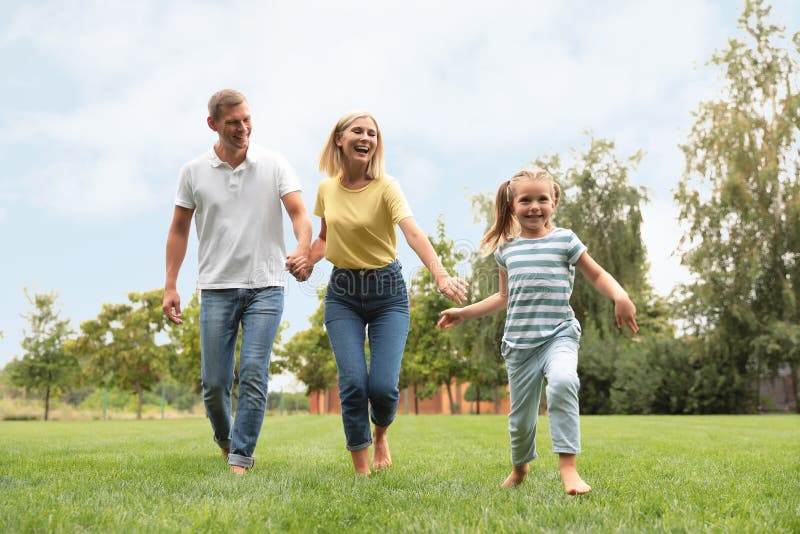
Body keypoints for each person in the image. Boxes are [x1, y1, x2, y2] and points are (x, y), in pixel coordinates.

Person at [438, 169, 638, 494]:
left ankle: (568, 468)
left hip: (559, 335)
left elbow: (597, 274)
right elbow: (503, 297)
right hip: (519, 345)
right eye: (525, 200)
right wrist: (464, 312)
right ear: (512, 205)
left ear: (554, 201)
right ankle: (520, 468)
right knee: (520, 421)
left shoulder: (565, 240)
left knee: (563, 382)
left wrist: (620, 295)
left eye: (542, 199)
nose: (534, 207)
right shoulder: (507, 250)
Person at [308, 111, 468, 476]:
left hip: (388, 293)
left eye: (373, 133)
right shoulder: (326, 189)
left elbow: (413, 233)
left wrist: (440, 275)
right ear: (339, 139)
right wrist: (306, 260)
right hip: (343, 292)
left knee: (382, 387)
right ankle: (362, 471)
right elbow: (324, 237)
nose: (366, 138)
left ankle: (381, 434)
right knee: (351, 383)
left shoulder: (387, 186)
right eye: (358, 131)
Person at [162, 89, 312, 475]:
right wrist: (170, 284)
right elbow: (178, 230)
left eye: (246, 119)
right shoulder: (193, 172)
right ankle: (228, 441)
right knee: (214, 384)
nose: (243, 128)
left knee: (253, 372)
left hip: (266, 284)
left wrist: (303, 247)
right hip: (216, 287)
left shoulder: (274, 163)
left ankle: (241, 459)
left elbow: (298, 212)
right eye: (233, 122)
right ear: (213, 124)